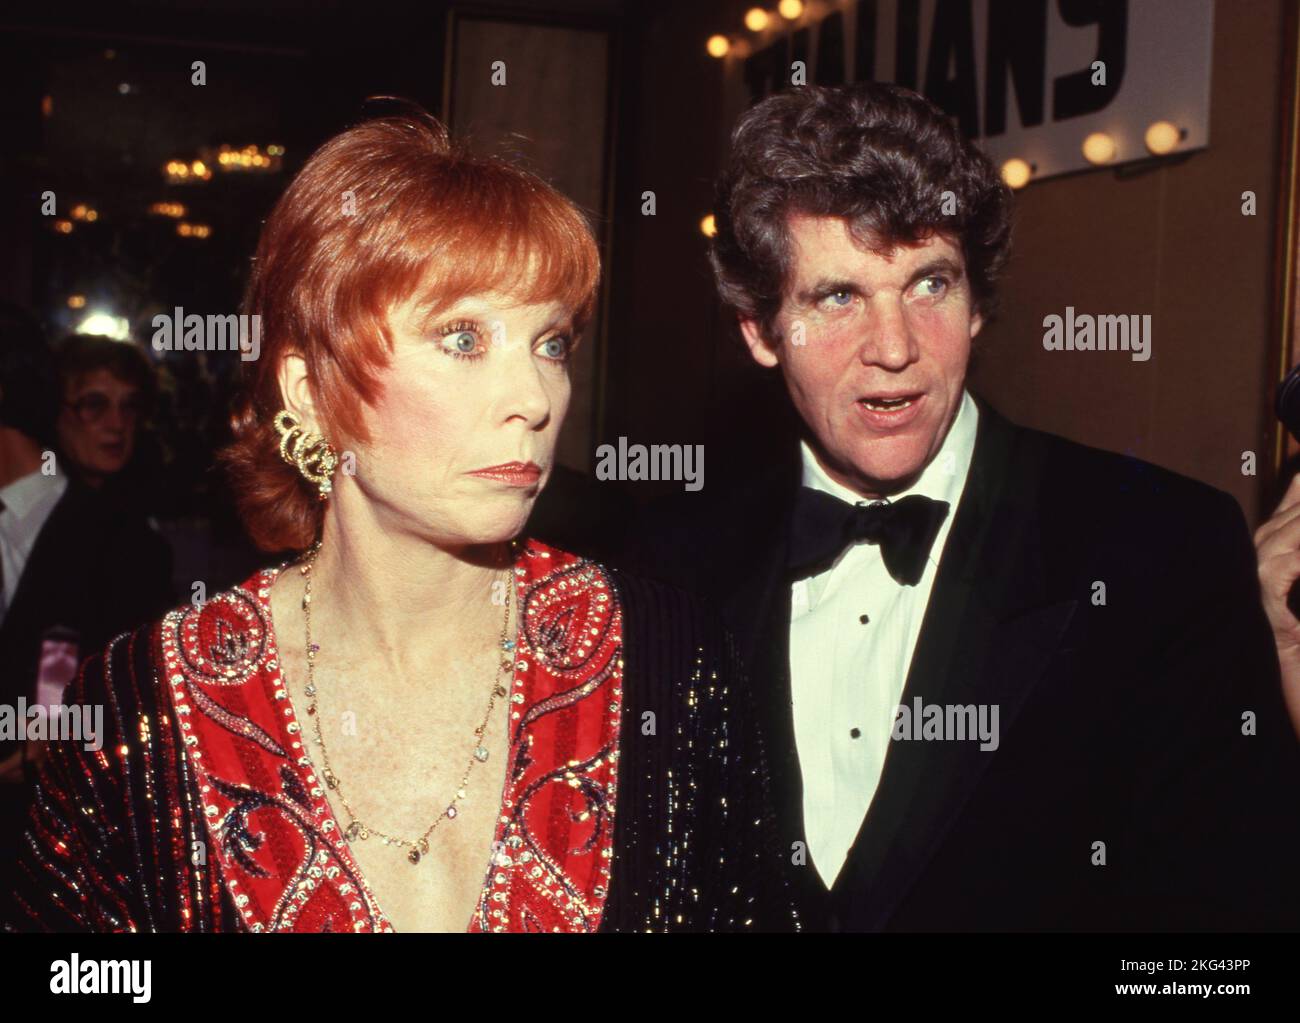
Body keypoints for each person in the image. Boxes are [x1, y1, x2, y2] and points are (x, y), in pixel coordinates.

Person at [5, 112, 796, 933]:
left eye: (551, 343)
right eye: (462, 337)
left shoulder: (664, 657)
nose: (534, 398)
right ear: (313, 394)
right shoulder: (144, 707)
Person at [619, 82, 1300, 931]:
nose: (896, 347)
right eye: (839, 297)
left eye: (929, 285)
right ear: (759, 330)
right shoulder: (664, 573)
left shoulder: (1161, 549)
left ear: (977, 302)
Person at [0, 306, 173, 906]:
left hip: (83, 822)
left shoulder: (133, 536)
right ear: (58, 414)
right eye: (94, 404)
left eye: (129, 406)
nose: (115, 423)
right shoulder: (56, 513)